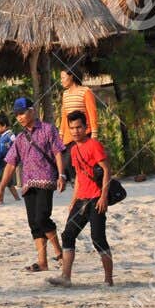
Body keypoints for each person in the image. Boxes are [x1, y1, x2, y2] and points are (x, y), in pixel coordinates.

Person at [0, 97, 67, 272]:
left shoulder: (48, 130)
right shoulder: (19, 138)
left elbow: (58, 152)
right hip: (27, 184)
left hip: (46, 180)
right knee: (34, 223)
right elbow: (11, 163)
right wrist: (1, 187)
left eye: (22, 112)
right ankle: (42, 262)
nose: (19, 117)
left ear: (32, 111)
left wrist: (62, 174)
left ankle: (59, 253)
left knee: (42, 217)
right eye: (17, 114)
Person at [51, 109, 113, 287]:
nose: (76, 131)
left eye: (79, 127)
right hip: (81, 199)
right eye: (72, 128)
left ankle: (108, 280)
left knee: (98, 239)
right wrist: (73, 200)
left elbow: (107, 170)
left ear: (86, 127)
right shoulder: (74, 149)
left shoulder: (94, 145)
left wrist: (103, 197)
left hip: (96, 199)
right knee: (68, 234)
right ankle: (65, 276)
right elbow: (78, 176)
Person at [57, 64, 98, 144]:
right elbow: (65, 115)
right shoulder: (65, 94)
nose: (61, 81)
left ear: (71, 76)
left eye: (63, 78)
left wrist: (94, 133)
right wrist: (61, 134)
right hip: (69, 137)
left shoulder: (85, 91)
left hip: (84, 134)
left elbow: (92, 113)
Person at [0, 113, 20, 201]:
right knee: (9, 182)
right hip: (0, 161)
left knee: (1, 181)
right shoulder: (1, 137)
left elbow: (16, 143)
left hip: (6, 162)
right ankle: (17, 198)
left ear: (3, 125)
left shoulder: (10, 135)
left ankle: (0, 199)